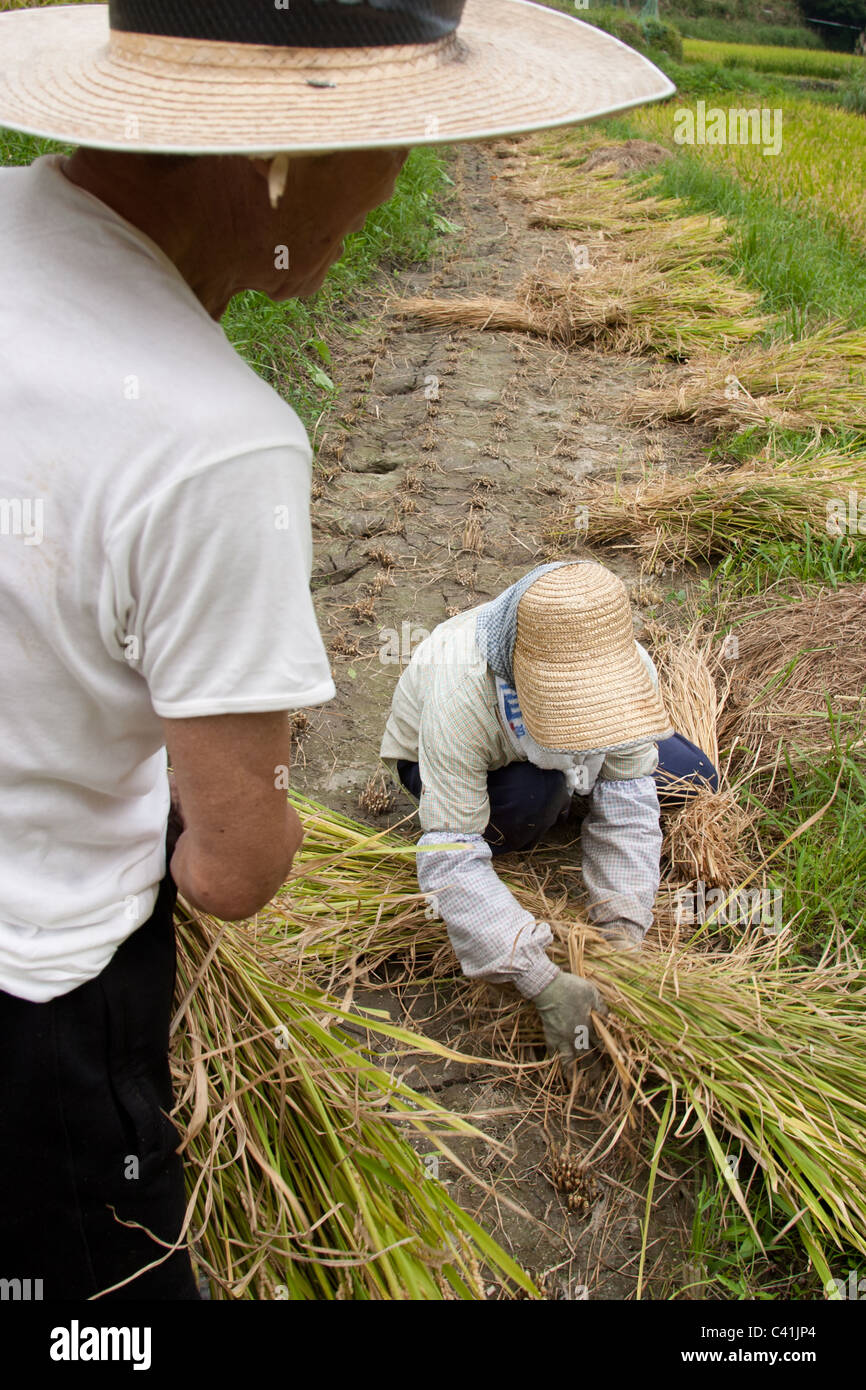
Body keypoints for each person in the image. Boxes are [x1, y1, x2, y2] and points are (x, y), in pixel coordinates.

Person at [0, 0, 673, 1300]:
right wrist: (532, 962)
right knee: (100, 1298)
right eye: (396, 139)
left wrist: (627, 935)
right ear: (274, 159)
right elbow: (234, 871)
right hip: (44, 1002)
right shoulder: (215, 441)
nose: (404, 176)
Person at [381, 560, 718, 1063]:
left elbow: (630, 806)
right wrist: (541, 980)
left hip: (555, 754)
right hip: (435, 759)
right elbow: (451, 856)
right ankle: (560, 793)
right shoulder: (462, 695)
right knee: (528, 806)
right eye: (572, 714)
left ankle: (570, 786)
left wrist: (623, 930)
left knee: (692, 776)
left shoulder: (626, 669)